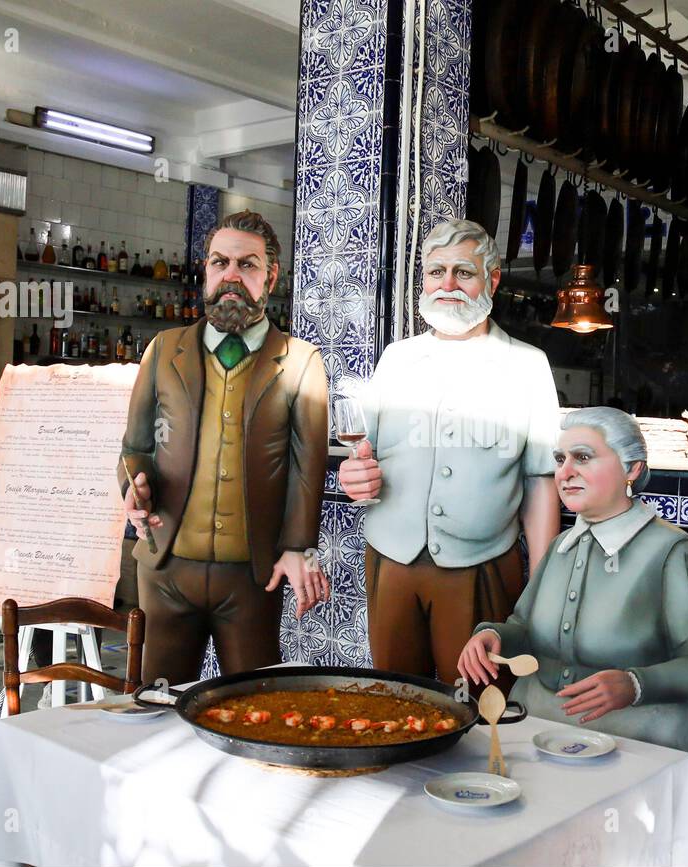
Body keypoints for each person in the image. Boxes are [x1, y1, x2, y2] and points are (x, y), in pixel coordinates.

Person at [339, 218, 561, 688]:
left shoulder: (526, 365)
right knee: (395, 704)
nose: (448, 285)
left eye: (464, 272)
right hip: (390, 562)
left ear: (493, 279)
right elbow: (365, 455)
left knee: (483, 710)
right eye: (436, 272)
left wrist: (542, 585)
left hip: (481, 568)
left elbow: (540, 484)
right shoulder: (395, 359)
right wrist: (353, 477)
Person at [118, 211, 330, 684]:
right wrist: (133, 489)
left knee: (251, 708)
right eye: (220, 262)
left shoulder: (300, 363)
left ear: (270, 277)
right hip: (166, 571)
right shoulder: (163, 349)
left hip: (252, 579)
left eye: (247, 265)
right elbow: (134, 448)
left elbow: (307, 471)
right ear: (206, 271)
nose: (231, 275)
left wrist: (300, 548)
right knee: (156, 703)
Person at [459, 407, 688, 752]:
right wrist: (492, 636)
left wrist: (635, 685)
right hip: (532, 737)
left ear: (632, 469)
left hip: (635, 748)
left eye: (583, 458)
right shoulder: (561, 547)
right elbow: (524, 629)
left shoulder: (672, 554)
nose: (565, 473)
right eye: (560, 459)